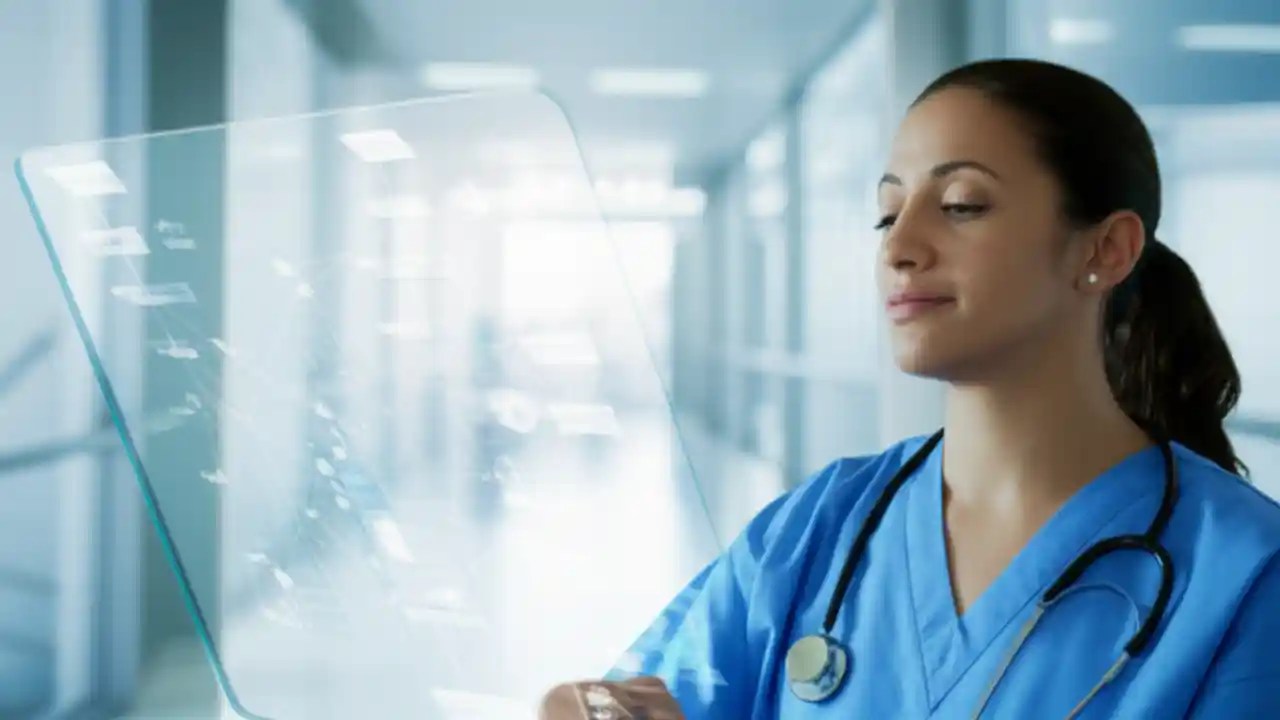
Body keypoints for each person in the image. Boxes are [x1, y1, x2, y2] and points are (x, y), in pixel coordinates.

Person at [538, 58, 1280, 719]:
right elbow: (652, 693)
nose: (898, 246)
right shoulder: (820, 528)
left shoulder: (1247, 575)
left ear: (1105, 249)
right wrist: (590, 708)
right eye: (887, 213)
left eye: (961, 205)